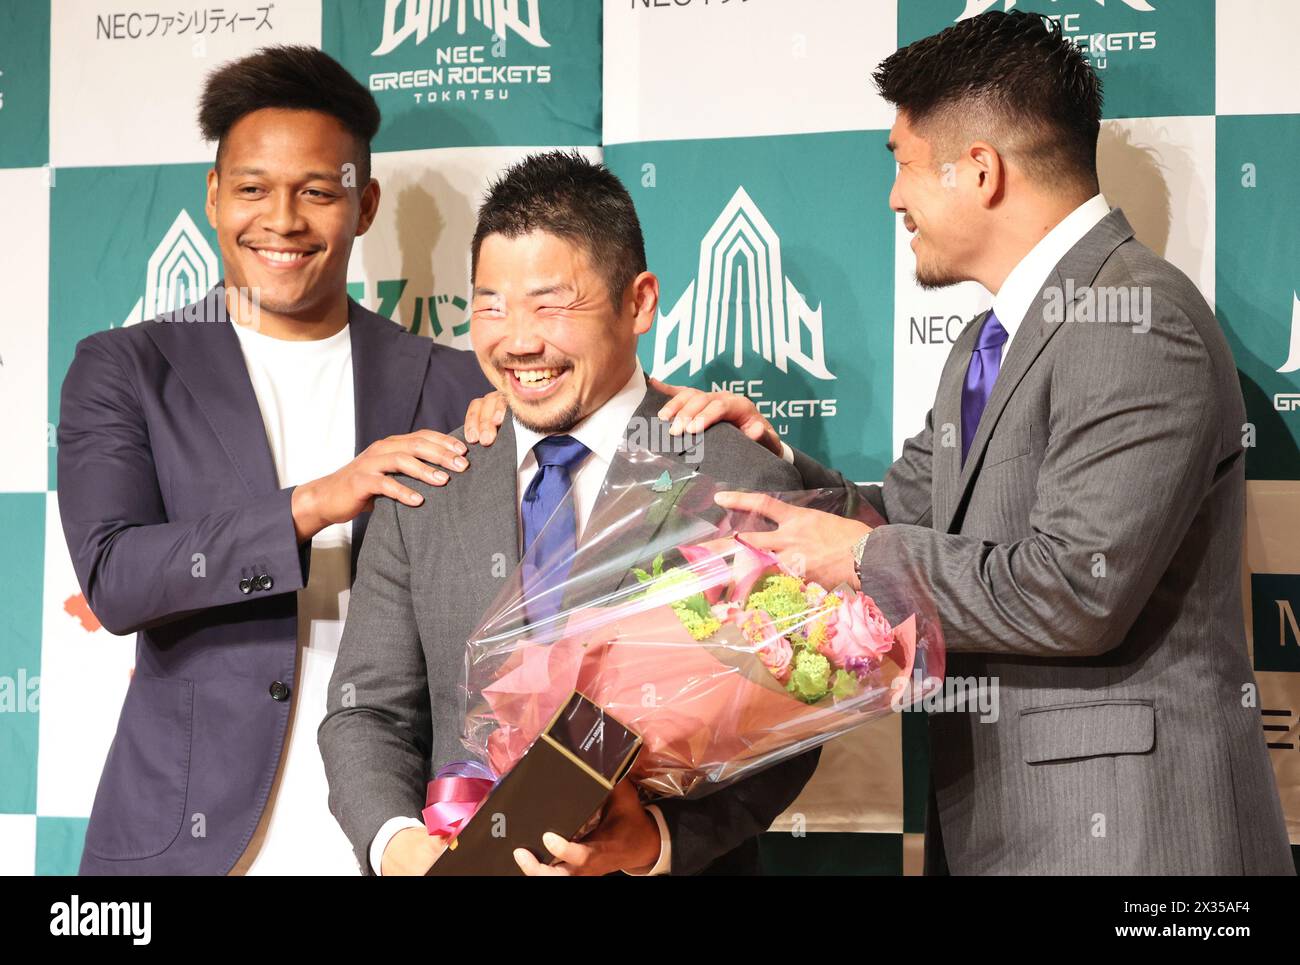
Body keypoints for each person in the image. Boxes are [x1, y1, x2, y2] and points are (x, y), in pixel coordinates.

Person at [611, 12, 1293, 874]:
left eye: (902, 164)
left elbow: (1074, 589)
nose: (894, 197)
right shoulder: (983, 343)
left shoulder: (1137, 318)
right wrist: (780, 469)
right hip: (1000, 825)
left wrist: (858, 556)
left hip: (1129, 836)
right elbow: (901, 515)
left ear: (980, 170)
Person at [319, 151, 819, 876]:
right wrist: (399, 846)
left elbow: (793, 720)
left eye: (551, 303)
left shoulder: (738, 475)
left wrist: (653, 840)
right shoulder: (429, 485)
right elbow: (366, 711)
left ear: (640, 301)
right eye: (490, 304)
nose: (517, 339)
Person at [58, 45, 491, 875]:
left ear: (363, 205)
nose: (283, 221)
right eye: (253, 188)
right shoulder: (127, 367)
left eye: (317, 192)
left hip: (405, 832)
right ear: (215, 197)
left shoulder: (453, 380)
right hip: (188, 842)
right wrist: (318, 500)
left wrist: (700, 421)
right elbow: (116, 575)